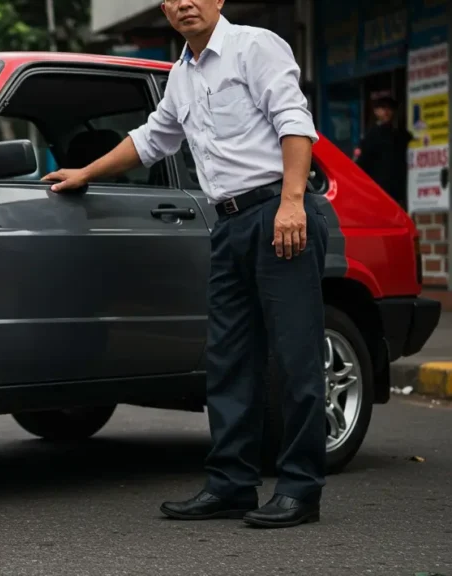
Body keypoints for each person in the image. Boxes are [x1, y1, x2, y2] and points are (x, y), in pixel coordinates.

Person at [43, 0, 326, 529]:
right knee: (228, 361)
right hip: (228, 223)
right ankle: (231, 484)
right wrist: (85, 171)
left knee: (295, 359)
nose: (183, 4)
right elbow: (154, 138)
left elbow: (295, 122)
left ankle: (299, 488)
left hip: (277, 212)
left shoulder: (254, 47)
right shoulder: (182, 73)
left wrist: (292, 202)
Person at [357, 95, 412, 210]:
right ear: (376, 111)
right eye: (382, 108)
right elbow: (363, 163)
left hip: (396, 190)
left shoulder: (399, 134)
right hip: (378, 189)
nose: (386, 112)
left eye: (389, 108)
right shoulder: (371, 135)